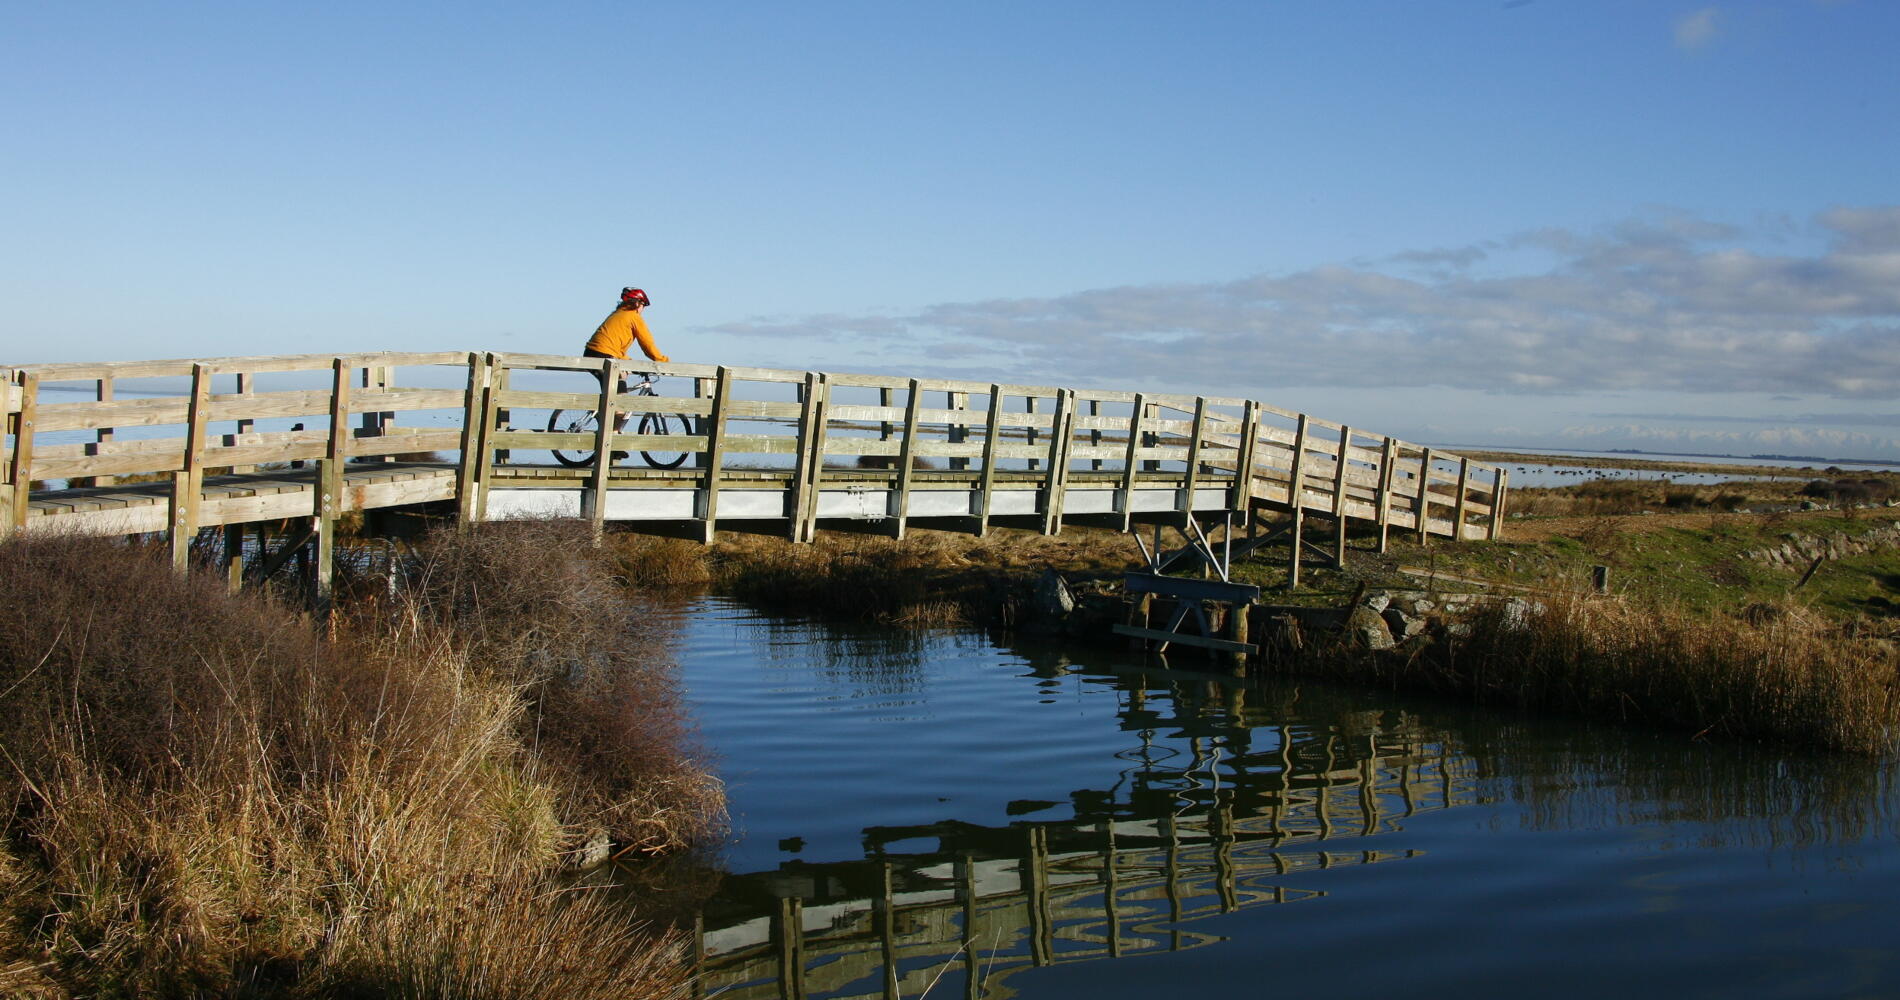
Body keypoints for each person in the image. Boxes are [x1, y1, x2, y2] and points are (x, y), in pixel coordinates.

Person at [582, 287, 670, 456]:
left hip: (598, 355)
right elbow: (648, 345)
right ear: (638, 304)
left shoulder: (618, 314)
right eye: (643, 306)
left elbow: (614, 344)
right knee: (620, 403)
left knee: (618, 395)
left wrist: (626, 362)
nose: (643, 310)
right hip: (603, 357)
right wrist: (662, 361)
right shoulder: (633, 317)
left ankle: (612, 440)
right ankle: (609, 440)